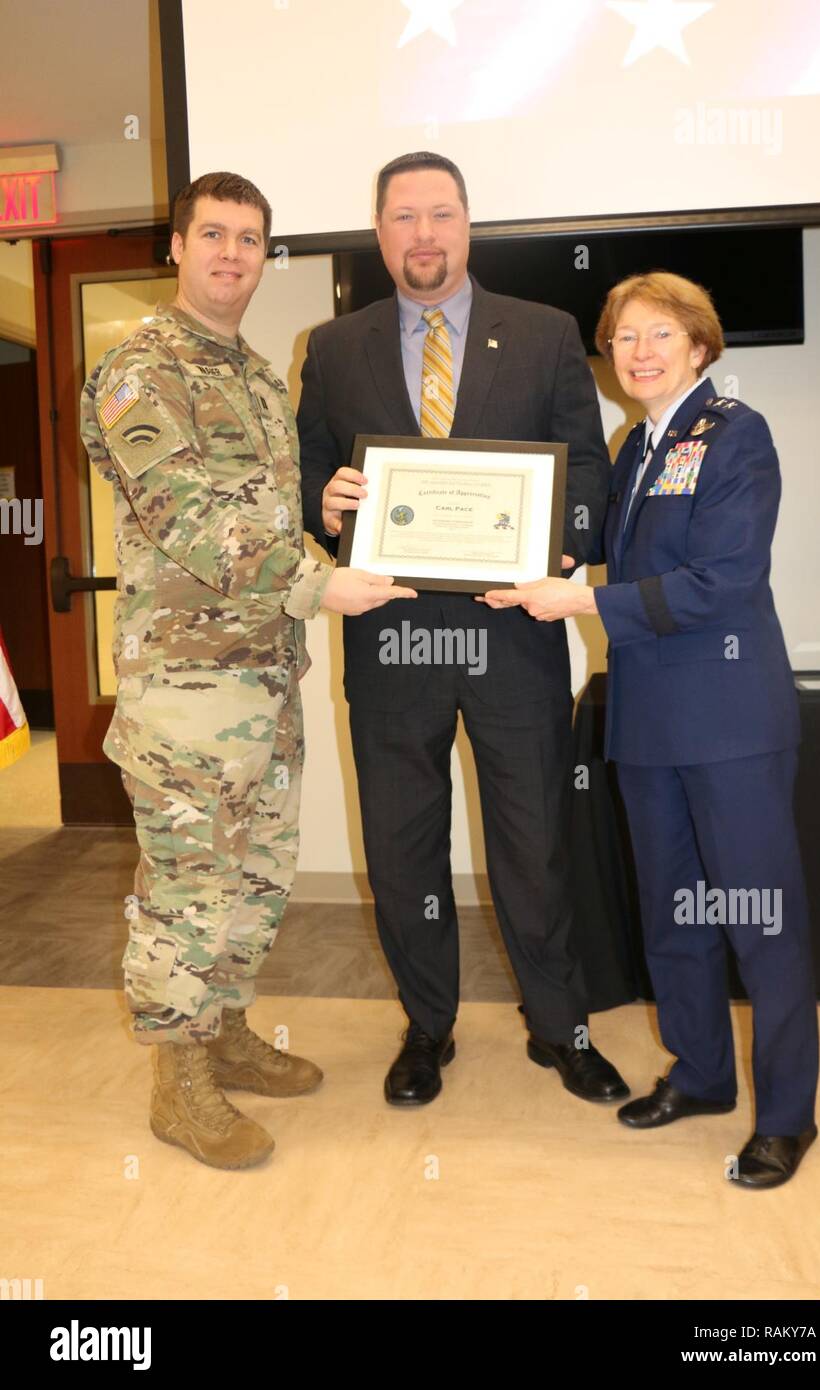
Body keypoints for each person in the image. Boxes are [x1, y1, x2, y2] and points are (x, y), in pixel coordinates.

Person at [80, 171, 415, 1169]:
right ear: (176, 246)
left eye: (250, 239)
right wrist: (320, 586)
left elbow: (268, 517)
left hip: (262, 678)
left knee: (255, 880)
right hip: (185, 692)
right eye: (213, 234)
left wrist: (336, 525)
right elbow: (186, 515)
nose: (232, 254)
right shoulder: (141, 366)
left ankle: (223, 1033)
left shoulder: (257, 373)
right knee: (185, 892)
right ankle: (176, 1088)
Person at [297, 151, 628, 1107]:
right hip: (390, 644)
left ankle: (560, 1029)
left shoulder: (547, 332)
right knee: (404, 849)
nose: (424, 236)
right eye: (404, 218)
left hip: (514, 641)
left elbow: (587, 478)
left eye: (440, 214)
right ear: (380, 231)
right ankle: (427, 1029)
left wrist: (559, 558)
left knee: (534, 844)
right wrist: (323, 503)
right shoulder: (336, 346)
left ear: (468, 223)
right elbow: (309, 483)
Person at [480, 272, 819, 1188]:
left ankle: (787, 1116)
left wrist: (580, 597)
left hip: (731, 721)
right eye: (624, 337)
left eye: (659, 334)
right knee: (675, 919)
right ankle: (704, 1075)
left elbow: (722, 581)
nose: (639, 352)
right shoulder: (635, 448)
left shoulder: (737, 436)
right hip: (648, 725)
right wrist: (525, 560)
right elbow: (611, 560)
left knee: (760, 924)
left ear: (700, 346)